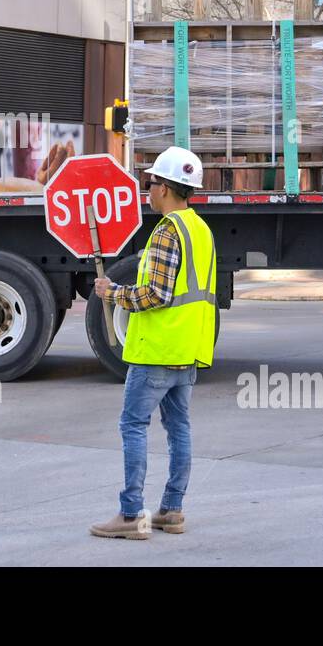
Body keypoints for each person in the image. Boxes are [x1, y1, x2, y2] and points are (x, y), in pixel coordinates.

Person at [89, 146, 217, 540]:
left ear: (164, 188)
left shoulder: (166, 231)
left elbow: (156, 294)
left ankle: (131, 516)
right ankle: (171, 511)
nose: (148, 189)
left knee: (133, 426)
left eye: (151, 183)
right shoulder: (200, 229)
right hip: (188, 351)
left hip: (156, 350)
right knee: (178, 428)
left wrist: (112, 293)